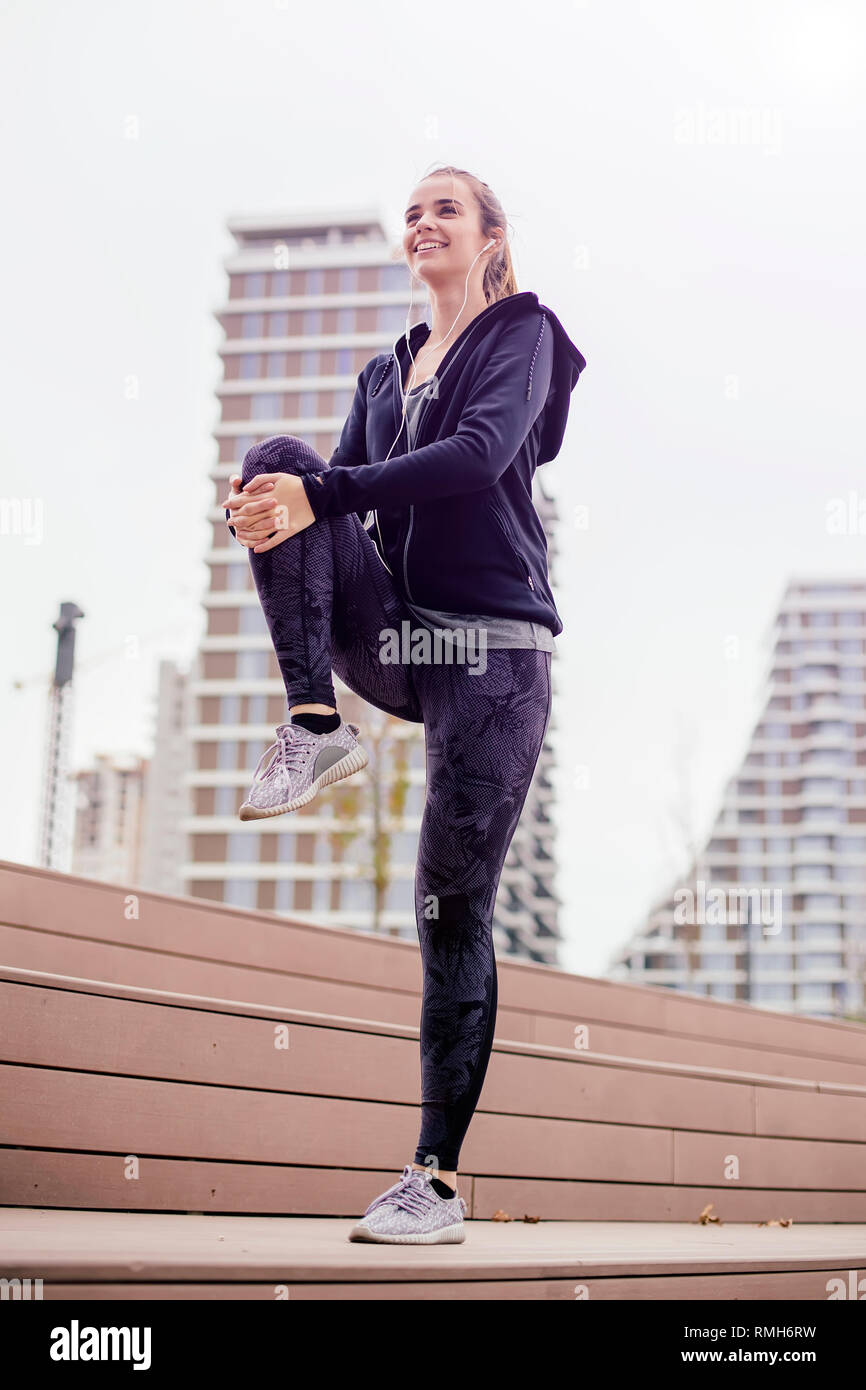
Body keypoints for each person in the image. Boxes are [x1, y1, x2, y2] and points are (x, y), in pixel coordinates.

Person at [220, 164, 587, 1244]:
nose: (423, 222)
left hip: (493, 655)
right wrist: (276, 518)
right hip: (401, 637)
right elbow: (336, 492)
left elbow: (476, 458)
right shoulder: (382, 372)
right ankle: (314, 726)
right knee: (277, 463)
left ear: (488, 238)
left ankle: (431, 1180)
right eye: (413, 210)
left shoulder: (521, 334)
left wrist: (323, 497)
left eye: (446, 209)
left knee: (449, 911)